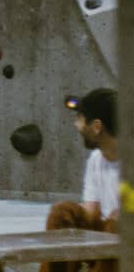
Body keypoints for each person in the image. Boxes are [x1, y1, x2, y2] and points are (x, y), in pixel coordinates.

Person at [44, 88, 119, 272]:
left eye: (79, 119)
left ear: (96, 127)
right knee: (62, 211)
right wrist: (70, 216)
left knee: (120, 221)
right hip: (109, 232)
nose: (76, 126)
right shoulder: (96, 159)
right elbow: (91, 212)